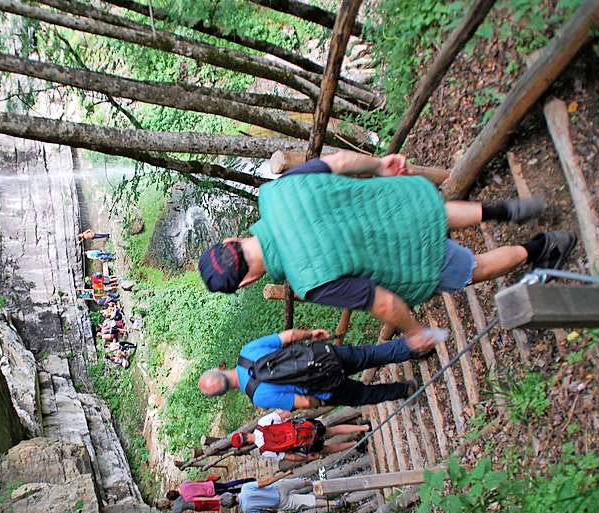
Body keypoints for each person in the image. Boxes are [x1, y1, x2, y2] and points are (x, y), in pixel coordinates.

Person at [197, 150, 576, 353]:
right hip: (395, 205)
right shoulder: (275, 192)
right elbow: (339, 162)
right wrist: (380, 165)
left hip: (411, 259)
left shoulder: (307, 280)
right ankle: (510, 210)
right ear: (231, 241)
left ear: (245, 280)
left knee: (472, 268)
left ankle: (541, 247)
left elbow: (383, 304)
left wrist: (414, 332)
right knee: (437, 213)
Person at [198, 327, 417, 409]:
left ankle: (405, 389)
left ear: (224, 393)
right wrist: (311, 334)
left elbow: (302, 401)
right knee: (370, 355)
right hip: (324, 356)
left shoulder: (258, 396)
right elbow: (289, 337)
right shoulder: (247, 352)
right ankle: (416, 347)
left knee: (364, 395)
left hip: (326, 388)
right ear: (219, 369)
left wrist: (318, 402)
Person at [230, 410, 369, 464]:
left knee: (328, 448)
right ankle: (364, 428)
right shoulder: (262, 423)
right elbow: (285, 414)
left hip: (305, 444)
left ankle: (357, 443)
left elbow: (290, 457)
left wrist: (307, 457)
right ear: (245, 433)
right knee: (333, 430)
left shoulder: (264, 451)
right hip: (306, 429)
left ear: (245, 445)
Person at [219, 478, 342, 513]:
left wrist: (273, 511)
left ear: (232, 506)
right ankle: (315, 483)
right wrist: (279, 476)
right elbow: (264, 483)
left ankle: (334, 503)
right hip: (277, 488)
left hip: (280, 503)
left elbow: (264, 512)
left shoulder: (246, 511)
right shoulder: (245, 488)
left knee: (308, 501)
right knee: (298, 482)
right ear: (232, 494)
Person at [165, 475, 257, 503]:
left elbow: (201, 498)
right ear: (173, 490)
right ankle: (247, 480)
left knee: (228, 491)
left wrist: (213, 499)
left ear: (176, 498)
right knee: (227, 484)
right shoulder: (183, 484)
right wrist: (206, 481)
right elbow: (197, 481)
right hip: (210, 484)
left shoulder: (187, 498)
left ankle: (243, 489)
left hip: (211, 493)